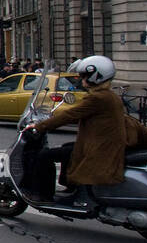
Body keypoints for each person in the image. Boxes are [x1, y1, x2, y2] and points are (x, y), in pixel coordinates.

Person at [23, 55, 126, 208]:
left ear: (94, 77)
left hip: (100, 148)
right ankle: (71, 187)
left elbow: (70, 115)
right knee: (67, 147)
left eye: (84, 76)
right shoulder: (109, 96)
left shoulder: (98, 98)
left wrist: (39, 126)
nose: (81, 80)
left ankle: (42, 194)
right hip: (104, 143)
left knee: (45, 155)